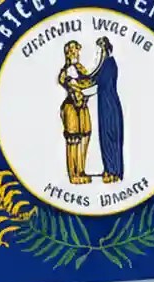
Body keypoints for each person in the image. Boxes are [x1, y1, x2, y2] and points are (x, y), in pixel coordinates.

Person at [57, 41, 95, 184]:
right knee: (73, 139)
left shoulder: (80, 68)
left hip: (83, 105)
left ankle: (81, 171)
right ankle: (73, 174)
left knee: (85, 136)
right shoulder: (67, 70)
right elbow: (73, 84)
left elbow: (88, 82)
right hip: (71, 106)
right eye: (73, 51)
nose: (76, 53)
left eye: (77, 51)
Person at [89, 37, 125, 183]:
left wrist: (81, 91)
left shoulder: (108, 64)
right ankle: (109, 170)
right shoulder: (104, 65)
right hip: (104, 103)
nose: (97, 54)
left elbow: (99, 85)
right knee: (105, 137)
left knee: (110, 136)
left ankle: (113, 171)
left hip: (109, 104)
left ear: (104, 49)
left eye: (99, 50)